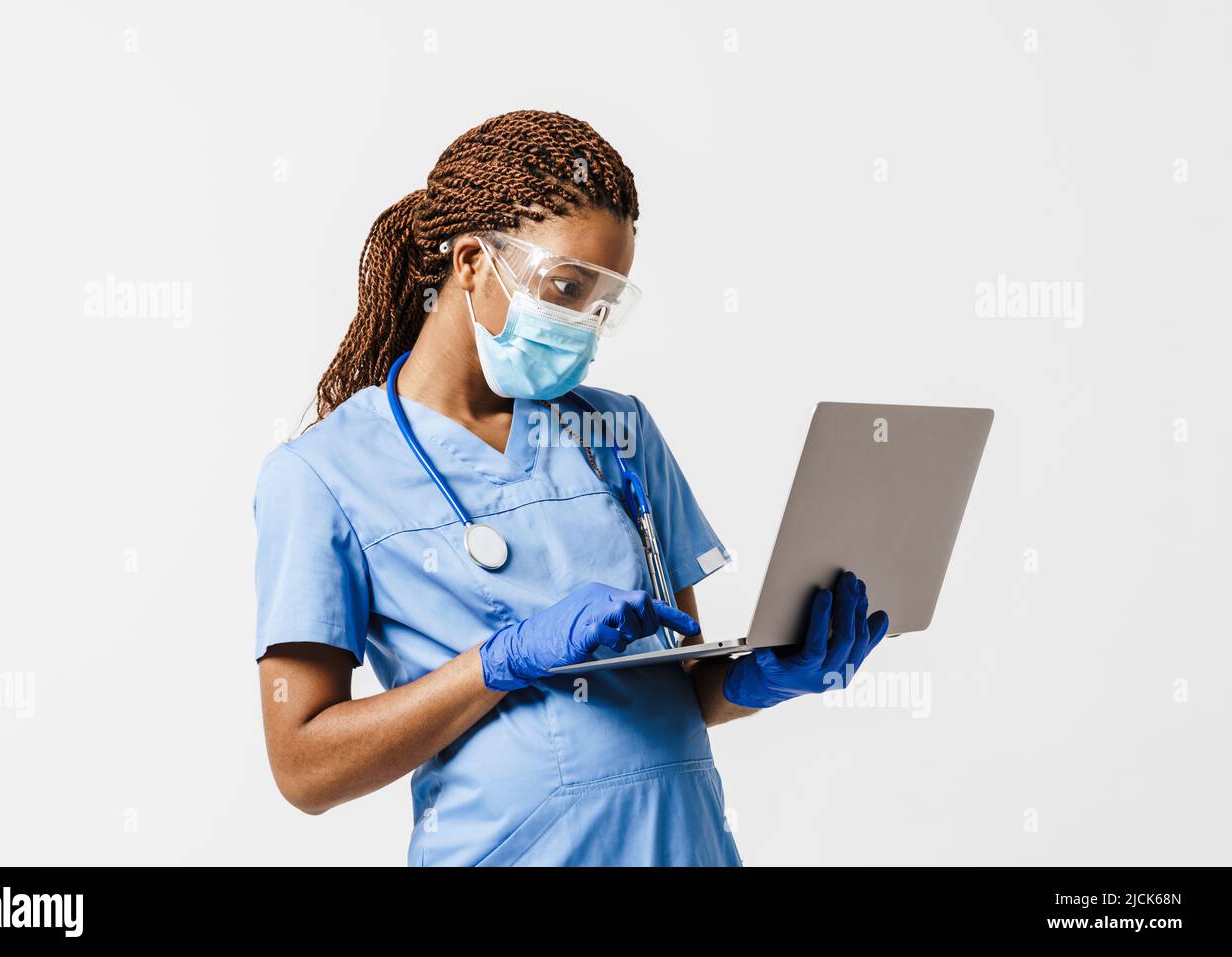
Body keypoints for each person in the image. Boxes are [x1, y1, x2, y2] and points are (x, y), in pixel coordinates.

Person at [253, 110, 890, 866]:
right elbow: (304, 767)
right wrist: (500, 660)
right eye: (564, 286)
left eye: (603, 302)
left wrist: (762, 678)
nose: (583, 324)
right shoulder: (324, 475)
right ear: (470, 263)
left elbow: (679, 684)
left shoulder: (618, 433)